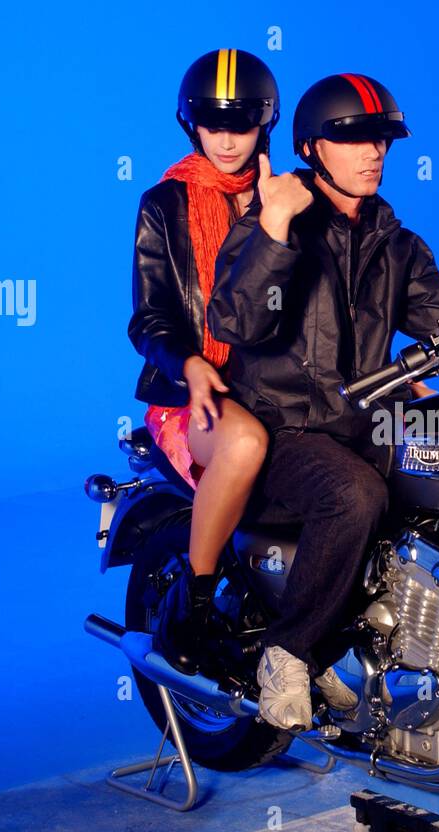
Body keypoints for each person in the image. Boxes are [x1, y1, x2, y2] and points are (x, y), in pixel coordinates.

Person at [209, 72, 439, 730]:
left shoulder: (394, 246)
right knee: (355, 495)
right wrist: (274, 230)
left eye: (381, 137)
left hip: (369, 420)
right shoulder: (273, 223)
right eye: (353, 139)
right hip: (281, 429)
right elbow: (237, 324)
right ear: (312, 148)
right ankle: (288, 652)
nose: (373, 151)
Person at [127, 48, 278, 676]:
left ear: (264, 124)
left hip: (278, 386)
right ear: (191, 125)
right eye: (212, 125)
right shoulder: (164, 204)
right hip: (191, 396)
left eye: (240, 125)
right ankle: (191, 602)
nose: (226, 140)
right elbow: (149, 317)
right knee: (242, 446)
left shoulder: (286, 197)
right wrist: (189, 363)